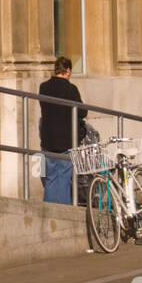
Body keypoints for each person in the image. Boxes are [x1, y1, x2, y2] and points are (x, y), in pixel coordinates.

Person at [38, 56, 87, 205]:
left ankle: (48, 211)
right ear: (68, 70)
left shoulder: (43, 87)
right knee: (64, 179)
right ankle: (63, 214)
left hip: (48, 140)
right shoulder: (70, 89)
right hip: (66, 141)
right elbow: (82, 112)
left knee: (51, 179)